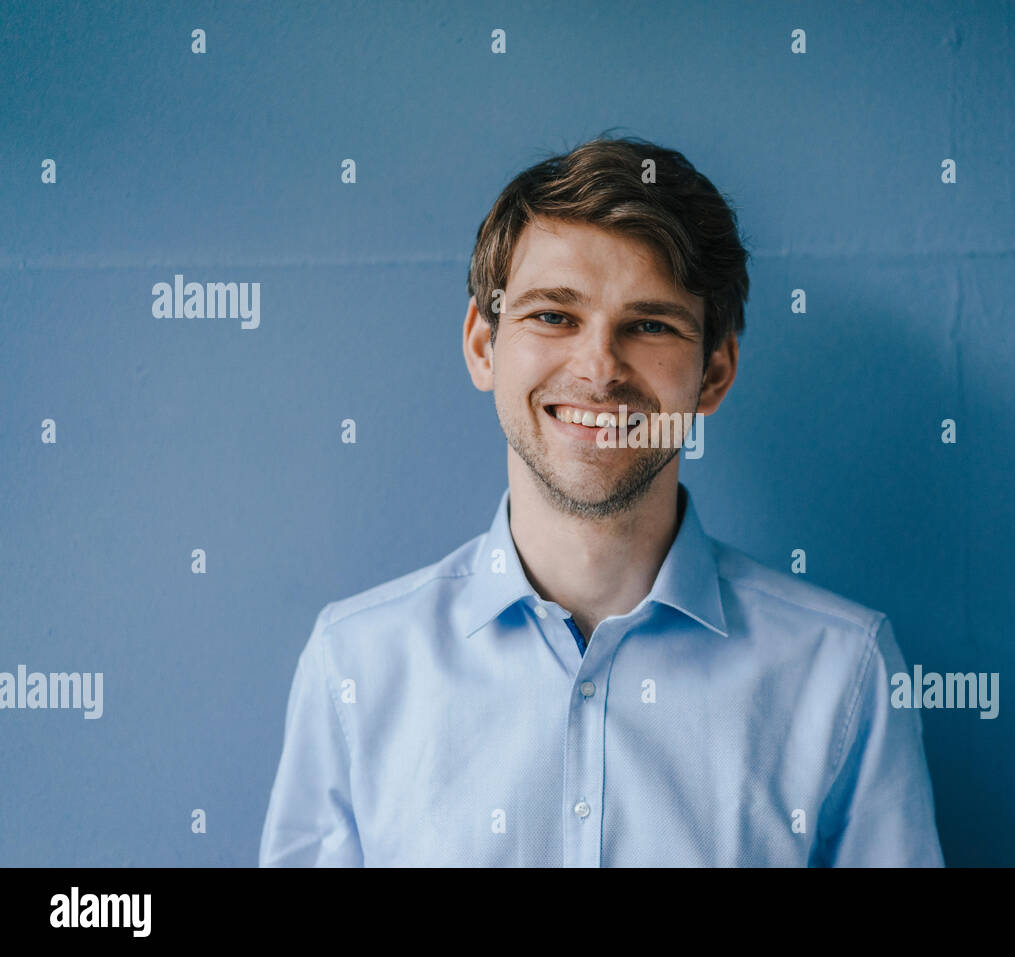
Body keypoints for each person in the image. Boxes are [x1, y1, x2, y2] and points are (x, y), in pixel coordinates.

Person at [259, 135, 944, 866]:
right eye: (553, 316)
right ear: (483, 346)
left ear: (714, 374)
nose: (598, 369)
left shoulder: (843, 671)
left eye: (650, 324)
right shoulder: (355, 663)